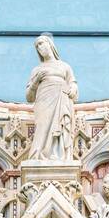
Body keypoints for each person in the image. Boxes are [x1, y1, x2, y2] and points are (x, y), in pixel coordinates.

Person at [25, 33, 78, 161]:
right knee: (42, 126)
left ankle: (57, 154)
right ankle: (38, 155)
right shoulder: (37, 70)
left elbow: (73, 84)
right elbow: (29, 97)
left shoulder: (64, 66)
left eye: (41, 43)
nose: (40, 47)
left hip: (61, 99)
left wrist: (72, 89)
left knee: (59, 126)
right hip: (43, 101)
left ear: (50, 44)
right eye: (37, 46)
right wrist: (36, 81)